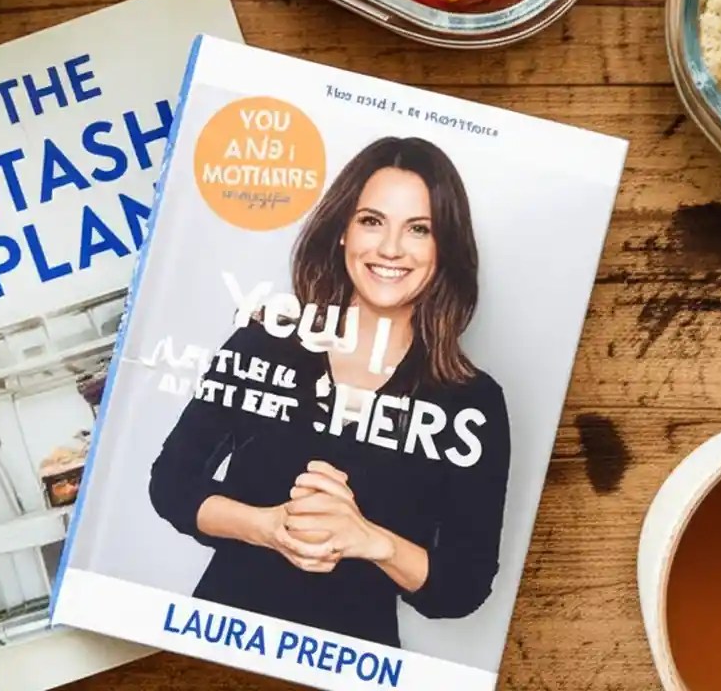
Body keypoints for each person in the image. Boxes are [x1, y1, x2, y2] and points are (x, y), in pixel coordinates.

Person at [148, 136, 512, 650]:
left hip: (355, 661)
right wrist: (268, 526)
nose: (390, 248)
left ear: (444, 247)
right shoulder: (264, 343)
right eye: (371, 221)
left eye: (419, 229)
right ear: (342, 230)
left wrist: (370, 539)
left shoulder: (472, 404)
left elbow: (464, 586)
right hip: (218, 641)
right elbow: (171, 484)